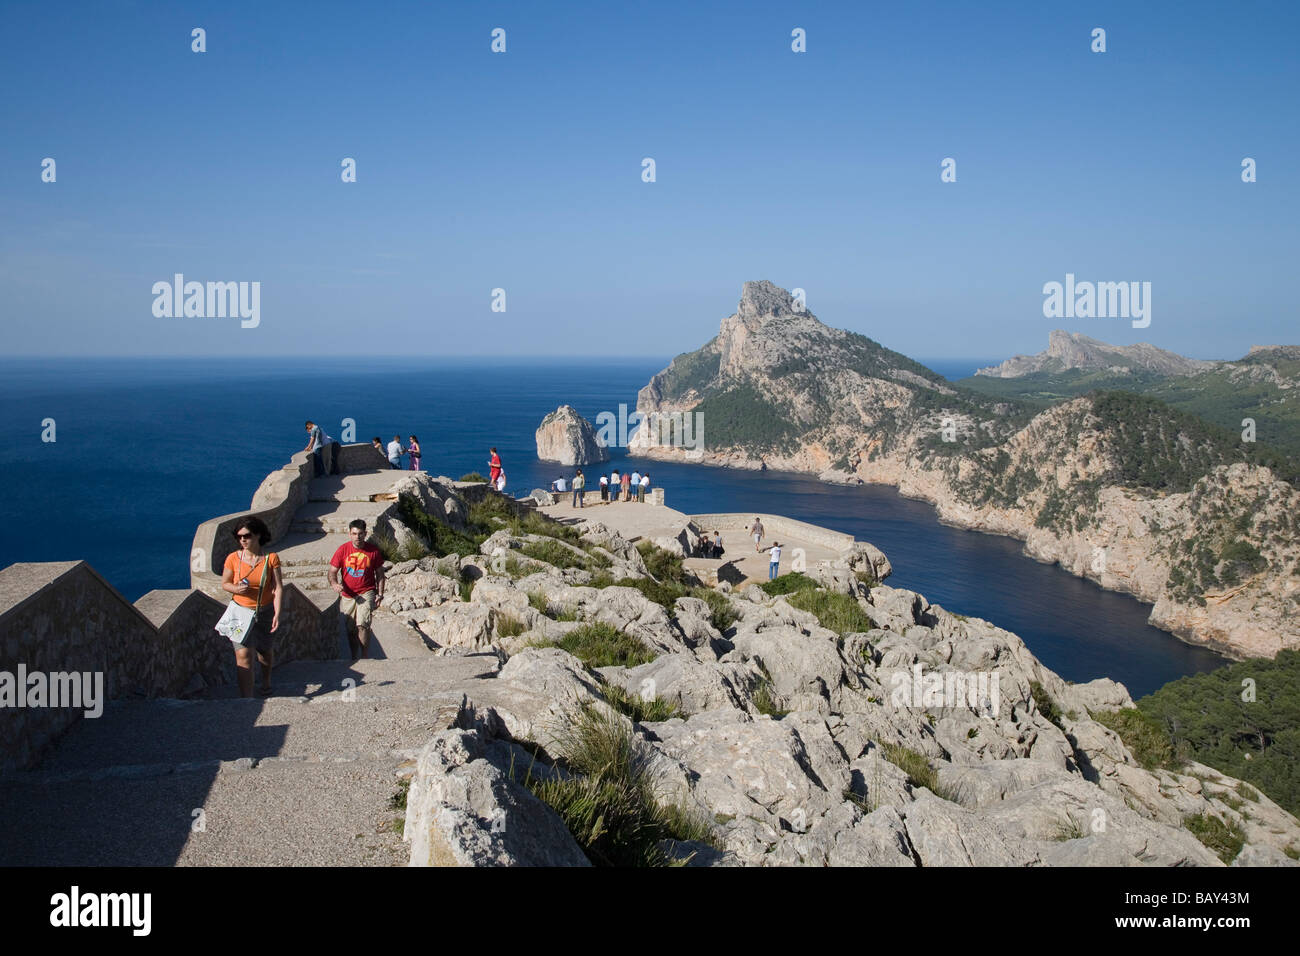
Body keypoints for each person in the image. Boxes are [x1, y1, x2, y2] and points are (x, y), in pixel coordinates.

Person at [221, 516, 283, 697]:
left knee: (264, 652)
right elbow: (225, 583)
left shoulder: (271, 559)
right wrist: (236, 588)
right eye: (239, 537)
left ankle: (266, 682)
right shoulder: (233, 558)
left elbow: (277, 587)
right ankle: (246, 700)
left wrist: (277, 613)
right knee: (243, 656)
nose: (242, 540)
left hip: (264, 611)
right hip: (240, 612)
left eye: (246, 536)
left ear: (258, 535)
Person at [329, 519, 385, 660]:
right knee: (350, 629)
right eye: (354, 534)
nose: (357, 537)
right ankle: (354, 656)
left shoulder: (373, 551)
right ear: (349, 534)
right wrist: (334, 583)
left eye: (360, 534)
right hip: (348, 594)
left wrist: (380, 594)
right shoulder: (343, 550)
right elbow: (332, 571)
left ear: (365, 533)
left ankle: (365, 657)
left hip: (366, 591)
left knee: (362, 625)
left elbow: (380, 574)